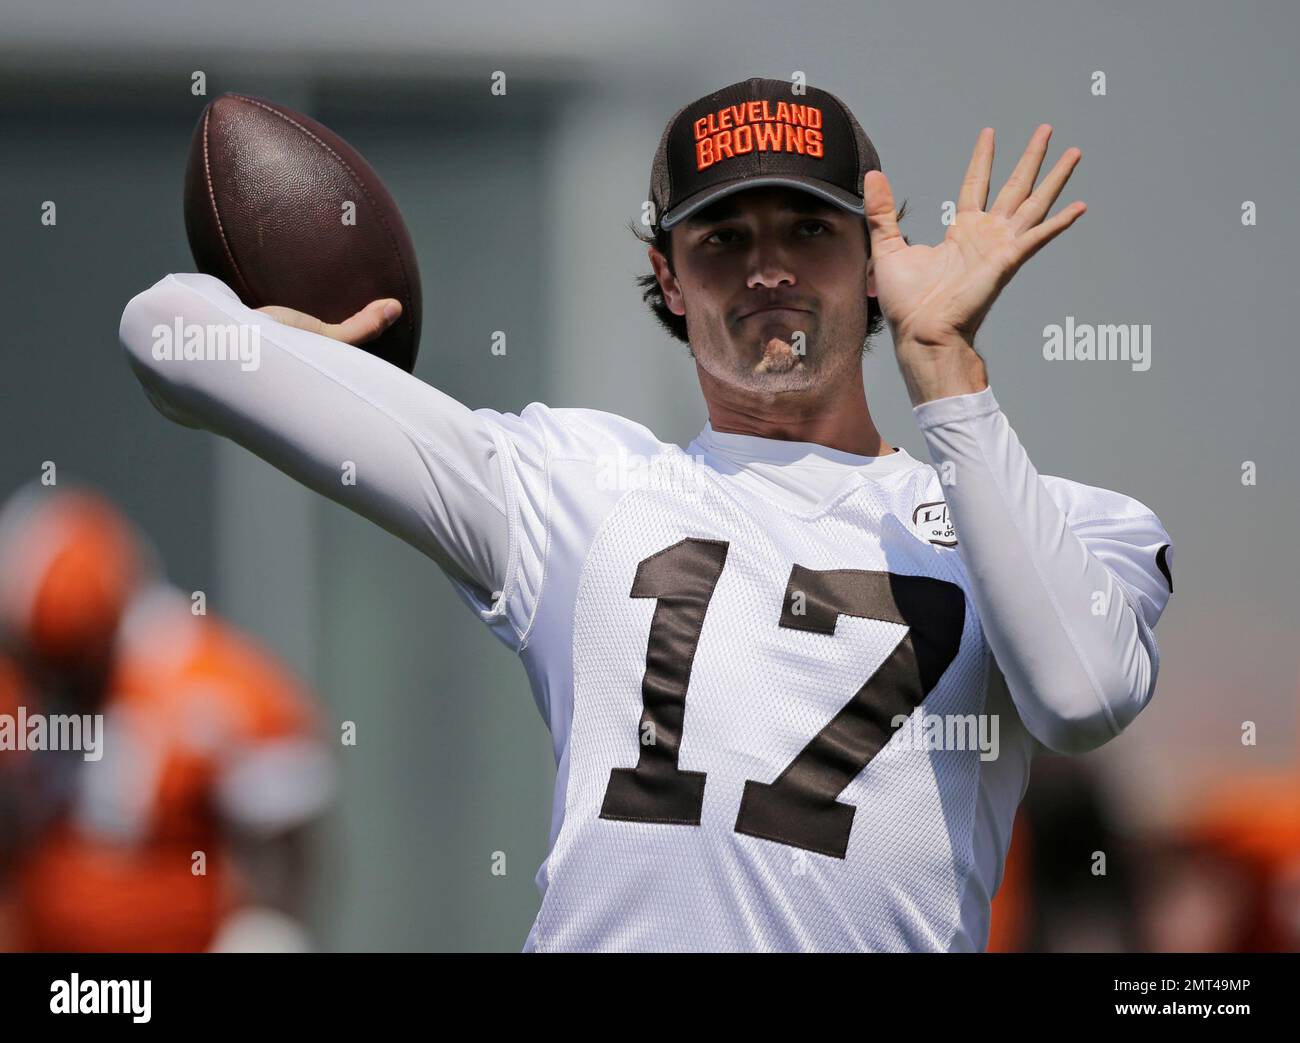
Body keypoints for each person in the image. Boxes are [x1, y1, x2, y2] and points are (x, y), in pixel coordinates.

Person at [118, 78, 1173, 952]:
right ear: (667, 275)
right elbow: (166, 333)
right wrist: (284, 340)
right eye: (722, 238)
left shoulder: (1041, 522)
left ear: (873, 257)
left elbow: (1081, 695)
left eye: (809, 228)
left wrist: (943, 366)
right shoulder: (571, 483)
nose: (767, 268)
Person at [0, 486, 333, 951]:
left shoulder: (214, 689)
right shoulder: (18, 695)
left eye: (71, 660)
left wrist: (263, 929)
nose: (58, 685)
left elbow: (287, 847)